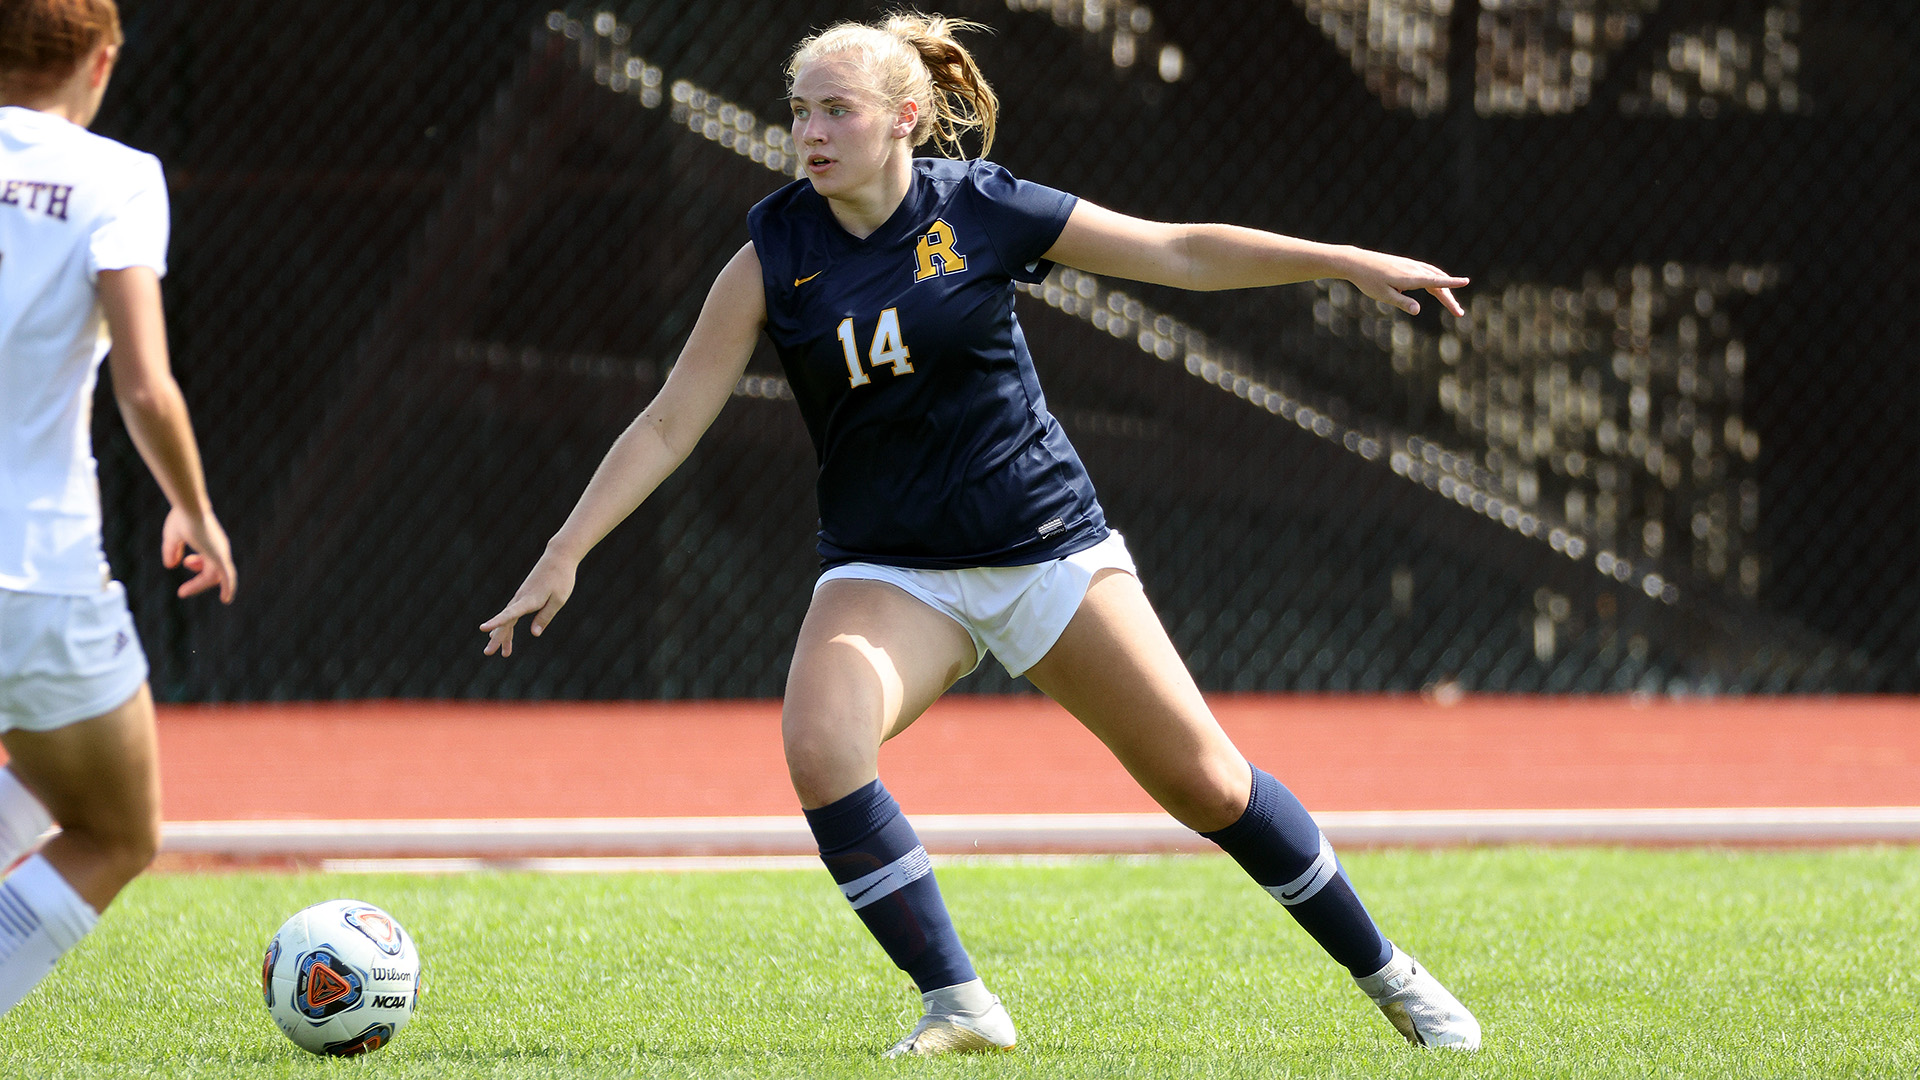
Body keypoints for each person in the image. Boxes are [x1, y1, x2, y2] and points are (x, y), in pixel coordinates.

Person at [483, 12, 1478, 1055]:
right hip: (893, 569)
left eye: (837, 109)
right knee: (822, 744)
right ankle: (957, 1001)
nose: (810, 132)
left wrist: (1342, 261)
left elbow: (1176, 252)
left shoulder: (983, 208)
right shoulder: (772, 255)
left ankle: (1394, 978)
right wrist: (566, 550)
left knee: (1209, 785)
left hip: (1044, 547)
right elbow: (670, 421)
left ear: (905, 118)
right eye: (800, 112)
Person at [0, 0, 236, 1017]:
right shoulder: (116, 176)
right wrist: (194, 508)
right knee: (115, 830)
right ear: (100, 63)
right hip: (34, 568)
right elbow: (145, 386)